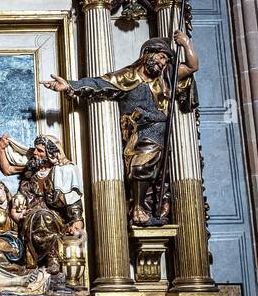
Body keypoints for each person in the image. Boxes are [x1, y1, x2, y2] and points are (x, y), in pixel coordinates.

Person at [44, 31, 198, 225]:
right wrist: (69, 86)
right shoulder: (127, 76)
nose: (162, 63)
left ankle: (143, 208)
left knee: (149, 171)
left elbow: (193, 66)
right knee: (137, 169)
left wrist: (185, 43)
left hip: (159, 133)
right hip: (136, 136)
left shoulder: (165, 77)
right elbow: (99, 83)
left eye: (166, 60)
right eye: (160, 57)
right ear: (148, 53)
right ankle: (138, 207)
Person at [0, 133, 83, 283]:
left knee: (45, 216)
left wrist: (77, 221)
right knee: (38, 216)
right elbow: (8, 170)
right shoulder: (32, 170)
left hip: (54, 214)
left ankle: (52, 259)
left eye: (40, 151)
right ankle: (36, 261)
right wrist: (1, 150)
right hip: (30, 212)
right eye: (36, 150)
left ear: (51, 153)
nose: (35, 153)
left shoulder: (64, 171)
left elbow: (72, 201)